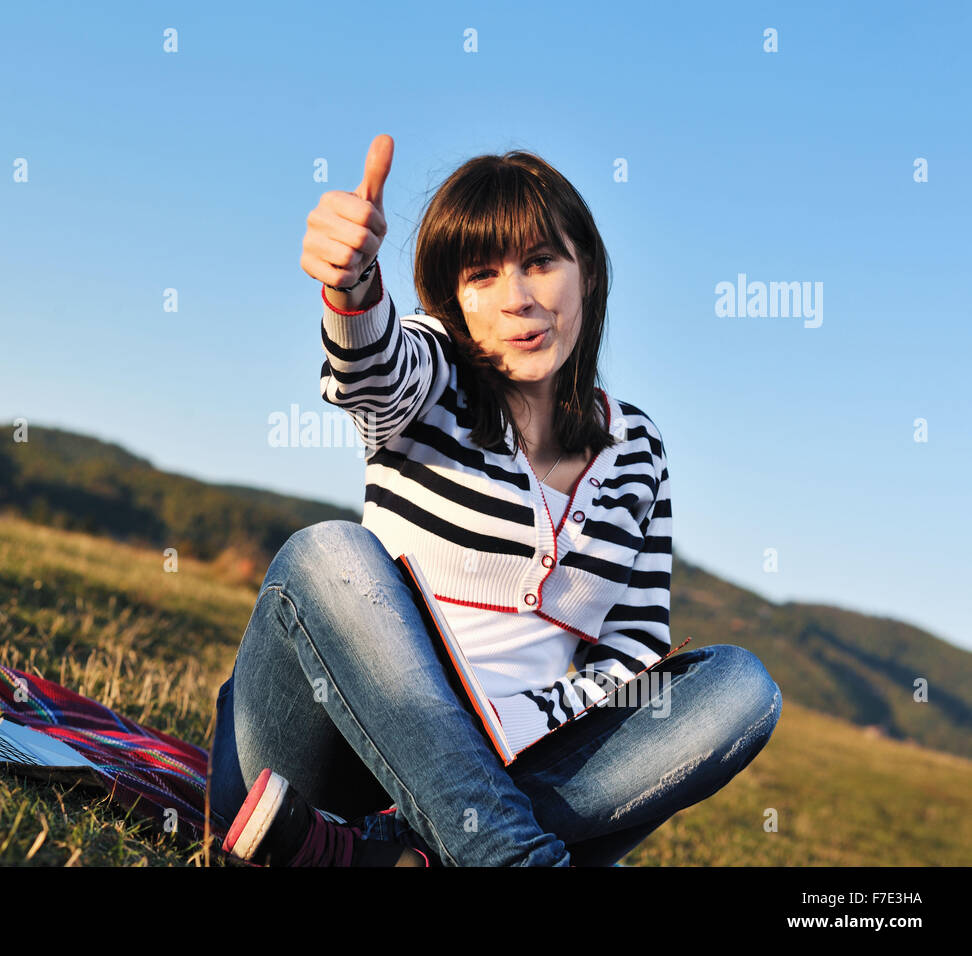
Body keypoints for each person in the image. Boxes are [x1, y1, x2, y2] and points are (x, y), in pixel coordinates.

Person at [206, 134, 782, 867]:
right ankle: (506, 856)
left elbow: (632, 652)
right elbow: (371, 368)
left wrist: (527, 725)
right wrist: (352, 288)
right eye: (482, 276)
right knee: (328, 553)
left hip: (499, 772)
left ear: (588, 272)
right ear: (454, 301)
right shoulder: (434, 375)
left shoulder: (638, 449)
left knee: (739, 687)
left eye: (542, 261)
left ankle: (395, 855)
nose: (519, 298)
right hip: (313, 761)